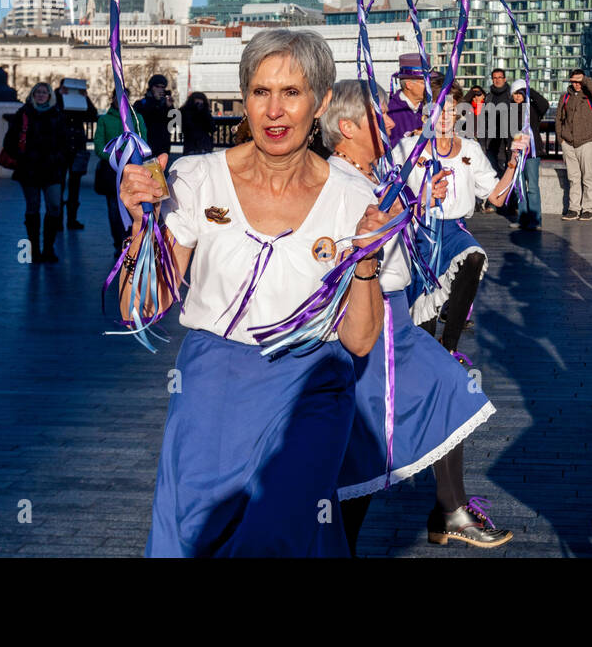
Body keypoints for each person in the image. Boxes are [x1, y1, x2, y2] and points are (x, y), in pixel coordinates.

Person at [123, 28, 391, 557]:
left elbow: (360, 342)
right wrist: (141, 225)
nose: (275, 110)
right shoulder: (194, 179)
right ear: (243, 99)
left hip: (311, 386)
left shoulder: (352, 194)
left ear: (321, 103)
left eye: (291, 92)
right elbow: (141, 305)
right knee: (192, 533)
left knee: (278, 531)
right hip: (211, 384)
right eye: (260, 92)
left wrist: (364, 260)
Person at [323, 80, 510, 550]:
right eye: (376, 116)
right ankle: (446, 512)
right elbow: (334, 255)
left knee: (386, 429)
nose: (389, 122)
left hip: (395, 316)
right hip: (378, 321)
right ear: (347, 128)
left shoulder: (363, 177)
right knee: (419, 407)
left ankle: (447, 510)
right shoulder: (338, 184)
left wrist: (420, 204)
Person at [393, 74, 527, 348]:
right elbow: (386, 194)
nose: (444, 116)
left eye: (451, 109)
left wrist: (513, 164)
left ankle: (451, 342)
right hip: (421, 234)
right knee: (423, 320)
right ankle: (428, 356)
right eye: (438, 109)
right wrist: (421, 200)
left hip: (454, 231)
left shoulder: (470, 149)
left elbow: (496, 198)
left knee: (475, 256)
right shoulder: (408, 148)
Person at [3, 82, 69, 264]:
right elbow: (9, 141)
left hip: (52, 168)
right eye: (38, 92)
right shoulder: (23, 114)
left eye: (44, 92)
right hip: (29, 168)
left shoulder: (57, 115)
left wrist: (59, 158)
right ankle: (34, 249)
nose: (41, 95)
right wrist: (23, 157)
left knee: (54, 205)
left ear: (50, 96)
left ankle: (48, 247)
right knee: (33, 206)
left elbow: (65, 141)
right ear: (33, 95)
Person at [92, 99, 149, 252]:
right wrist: (116, 158)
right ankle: (119, 243)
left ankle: (132, 239)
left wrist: (131, 157)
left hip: (132, 169)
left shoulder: (137, 118)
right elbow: (99, 145)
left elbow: (142, 140)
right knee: (114, 209)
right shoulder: (104, 119)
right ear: (112, 100)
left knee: (133, 206)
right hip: (111, 171)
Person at [556, 68, 592, 221]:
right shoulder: (565, 97)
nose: (577, 84)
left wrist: (585, 80)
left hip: (587, 141)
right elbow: (558, 119)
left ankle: (588, 208)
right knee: (573, 177)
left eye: (579, 81)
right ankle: (573, 208)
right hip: (568, 142)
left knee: (587, 176)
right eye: (574, 81)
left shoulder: (590, 96)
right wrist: (561, 139)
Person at [507, 78, 549, 230]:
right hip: (516, 152)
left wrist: (529, 90)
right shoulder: (510, 110)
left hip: (532, 152)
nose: (518, 96)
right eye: (515, 94)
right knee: (519, 187)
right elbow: (508, 133)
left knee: (532, 186)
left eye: (521, 93)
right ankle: (523, 218)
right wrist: (509, 153)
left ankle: (535, 220)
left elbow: (545, 104)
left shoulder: (533, 108)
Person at [58, 80, 98, 230]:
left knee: (74, 187)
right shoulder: (58, 101)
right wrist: (59, 96)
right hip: (62, 149)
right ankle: (59, 219)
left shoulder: (81, 102)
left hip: (77, 148)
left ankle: (71, 219)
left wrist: (85, 98)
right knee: (60, 185)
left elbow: (93, 115)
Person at [480, 69, 515, 211]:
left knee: (507, 171)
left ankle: (510, 202)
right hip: (491, 140)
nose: (497, 80)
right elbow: (483, 120)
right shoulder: (489, 97)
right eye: (495, 78)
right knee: (492, 171)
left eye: (500, 77)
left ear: (505, 79)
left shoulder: (510, 96)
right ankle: (492, 202)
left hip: (506, 141)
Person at [384, 53, 429, 147]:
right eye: (424, 83)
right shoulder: (389, 111)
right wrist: (410, 138)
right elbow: (383, 146)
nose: (428, 87)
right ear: (409, 85)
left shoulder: (430, 107)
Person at [133, 74, 174, 158]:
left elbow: (173, 124)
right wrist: (155, 102)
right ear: (151, 87)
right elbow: (142, 120)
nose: (160, 89)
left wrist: (169, 107)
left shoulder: (165, 105)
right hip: (146, 146)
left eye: (163, 87)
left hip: (162, 148)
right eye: (157, 87)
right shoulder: (141, 103)